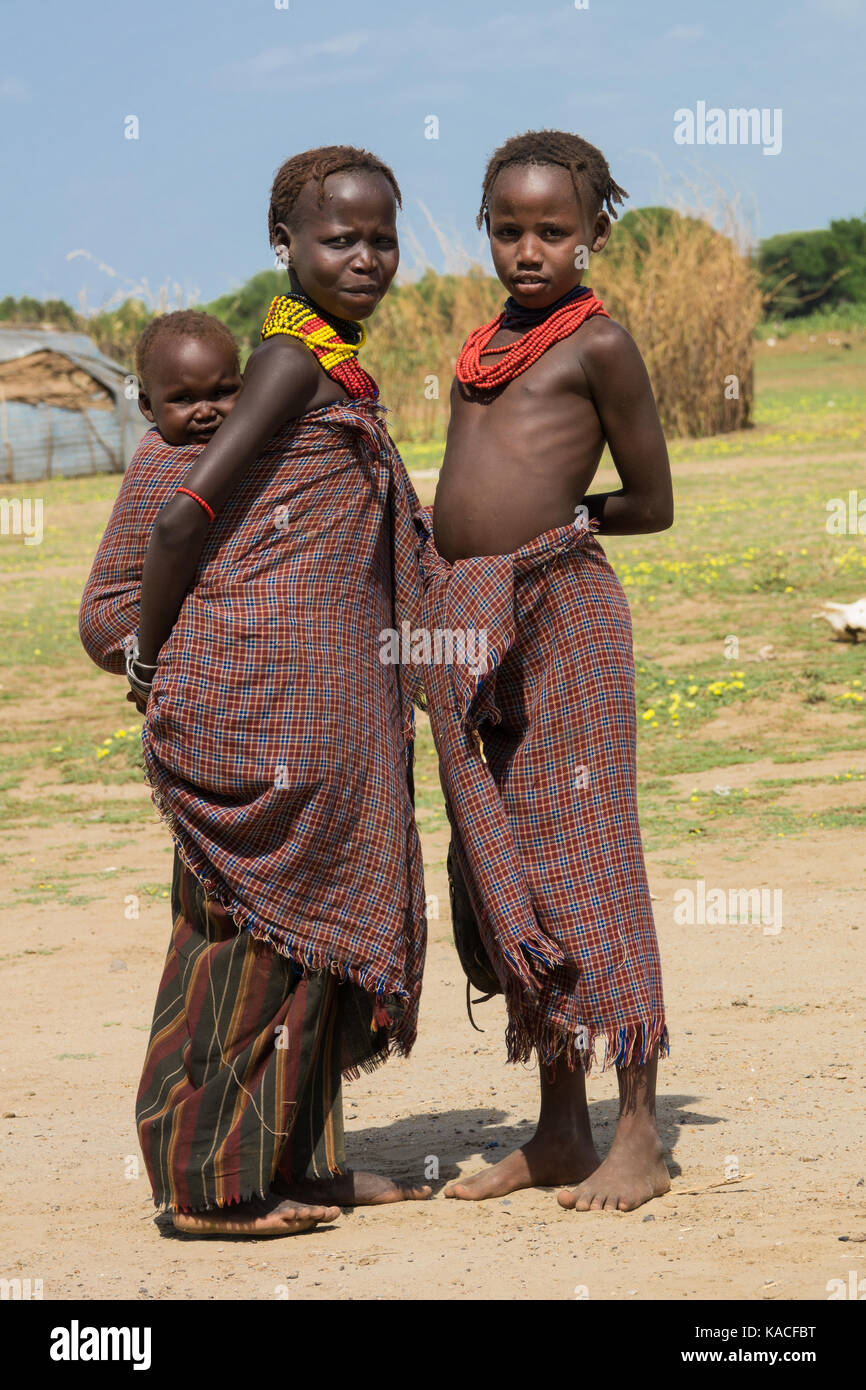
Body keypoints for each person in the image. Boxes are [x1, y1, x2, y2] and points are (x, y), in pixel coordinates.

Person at [80, 146, 431, 1237]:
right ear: (284, 245)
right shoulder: (287, 357)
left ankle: (302, 1163)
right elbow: (186, 515)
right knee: (242, 946)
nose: (364, 256)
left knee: (307, 942)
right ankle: (205, 1185)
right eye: (339, 238)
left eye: (380, 237)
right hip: (256, 706)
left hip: (326, 711)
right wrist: (146, 656)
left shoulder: (323, 361)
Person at [423, 129, 673, 1213]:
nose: (529, 249)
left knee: (589, 859)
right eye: (508, 229)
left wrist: (554, 531)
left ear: (591, 232)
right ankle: (560, 1128)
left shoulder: (599, 345)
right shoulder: (481, 348)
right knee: (511, 864)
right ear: (486, 228)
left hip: (563, 614)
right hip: (476, 627)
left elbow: (650, 501)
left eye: (552, 231)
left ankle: (641, 1134)